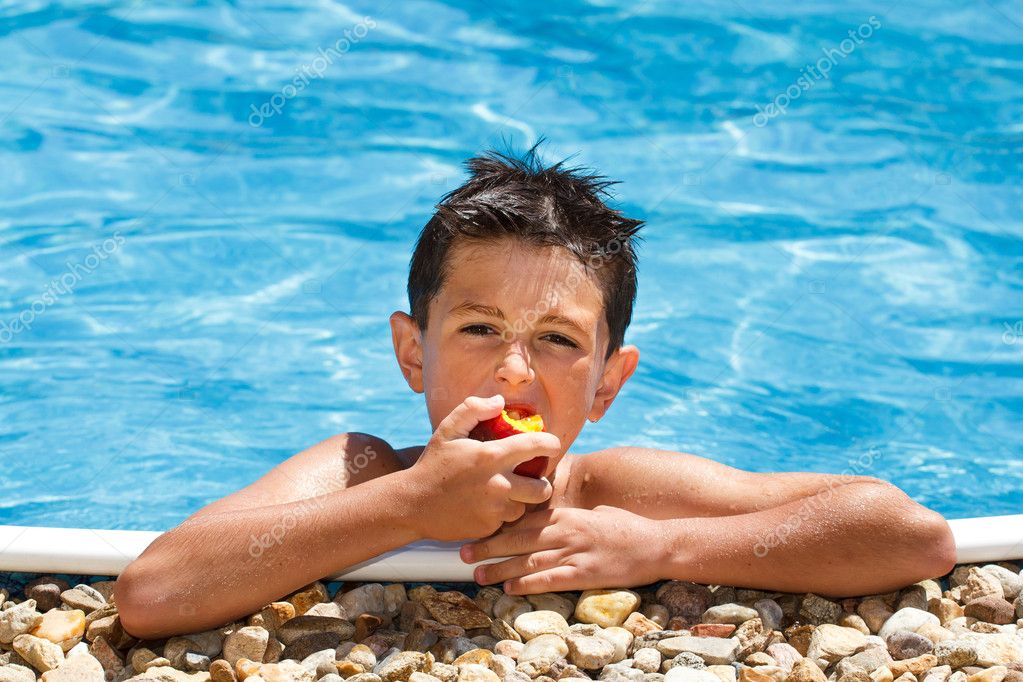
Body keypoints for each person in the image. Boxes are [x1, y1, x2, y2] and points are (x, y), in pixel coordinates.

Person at [114, 144, 956, 639]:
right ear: (412, 354)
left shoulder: (614, 493)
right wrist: (406, 507)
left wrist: (663, 551)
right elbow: (153, 591)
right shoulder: (361, 471)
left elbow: (907, 536)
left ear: (605, 385)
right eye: (478, 328)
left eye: (555, 342)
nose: (513, 369)